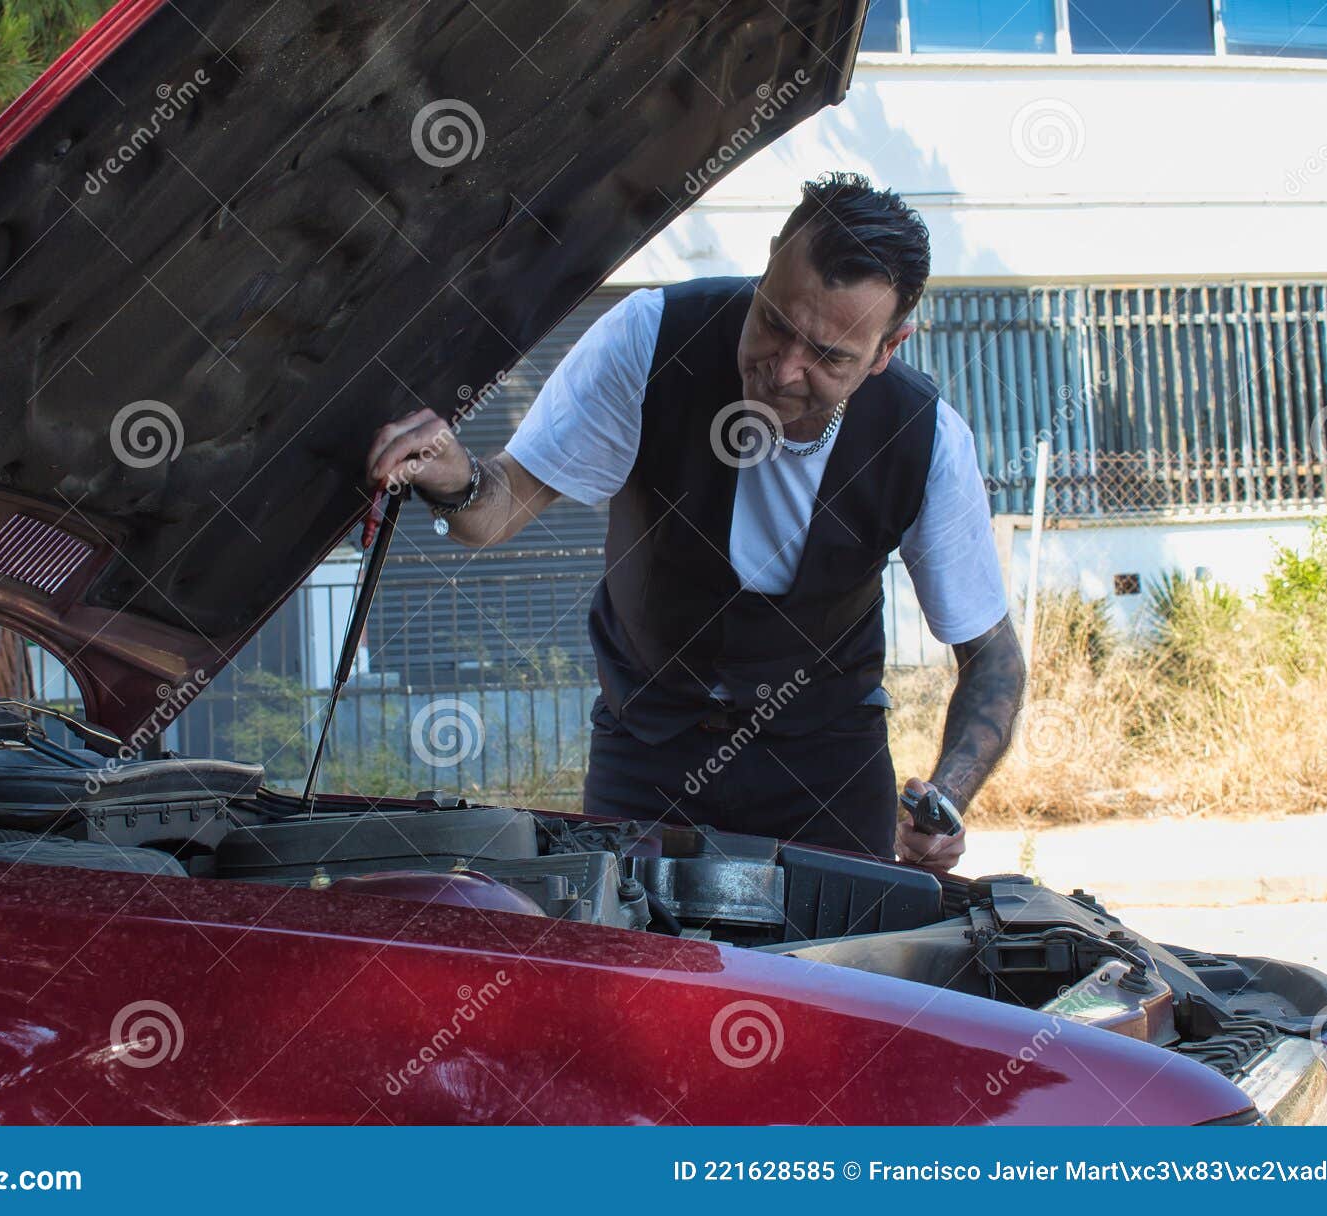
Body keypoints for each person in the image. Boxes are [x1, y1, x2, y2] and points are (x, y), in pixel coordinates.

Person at [366, 172, 1025, 870]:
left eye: (829, 357)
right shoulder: (649, 339)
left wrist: (947, 797)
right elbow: (498, 508)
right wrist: (457, 480)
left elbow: (993, 658)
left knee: (834, 975)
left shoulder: (926, 440)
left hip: (826, 769)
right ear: (771, 258)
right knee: (626, 972)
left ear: (887, 351)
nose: (783, 370)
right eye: (774, 321)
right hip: (647, 749)